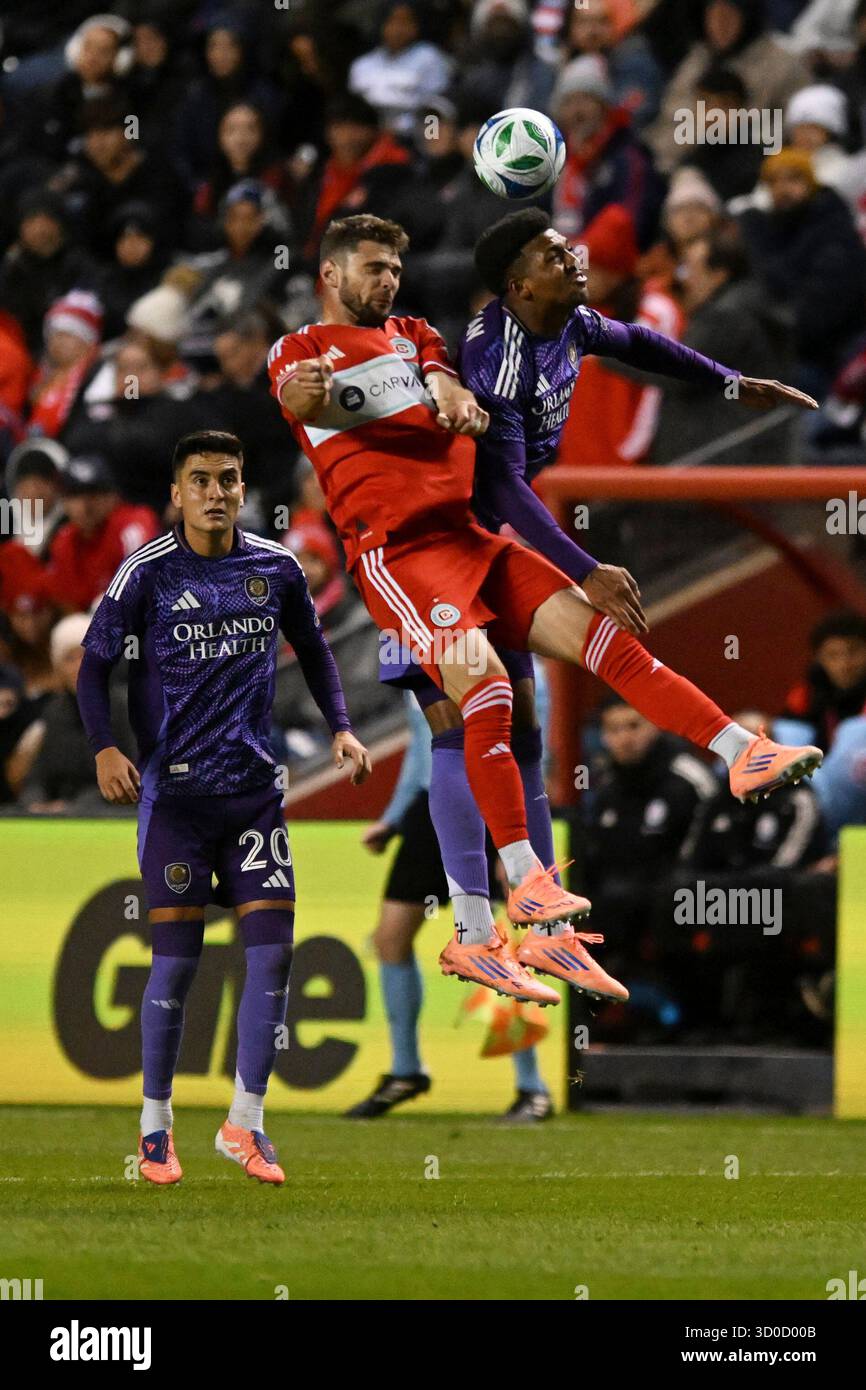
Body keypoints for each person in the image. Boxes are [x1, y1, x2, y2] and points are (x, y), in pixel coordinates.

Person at [267, 212, 824, 1004]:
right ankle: (487, 917)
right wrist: (315, 393)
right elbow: (298, 394)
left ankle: (737, 753)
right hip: (397, 559)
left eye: (394, 266)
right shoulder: (300, 349)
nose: (386, 280)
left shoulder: (420, 334)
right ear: (329, 273)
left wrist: (453, 395)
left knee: (561, 677)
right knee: (467, 714)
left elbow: (449, 381)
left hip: (470, 538)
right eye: (371, 267)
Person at [76, 429, 371, 1185]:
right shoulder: (144, 573)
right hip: (175, 802)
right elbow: (93, 665)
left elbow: (315, 646)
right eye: (200, 479)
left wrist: (341, 726)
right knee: (176, 969)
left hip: (252, 801)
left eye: (228, 479)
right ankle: (155, 1129)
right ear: (176, 494)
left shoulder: (273, 569)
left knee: (272, 958)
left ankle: (246, 1123)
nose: (216, 491)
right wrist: (106, 747)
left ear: (244, 491)